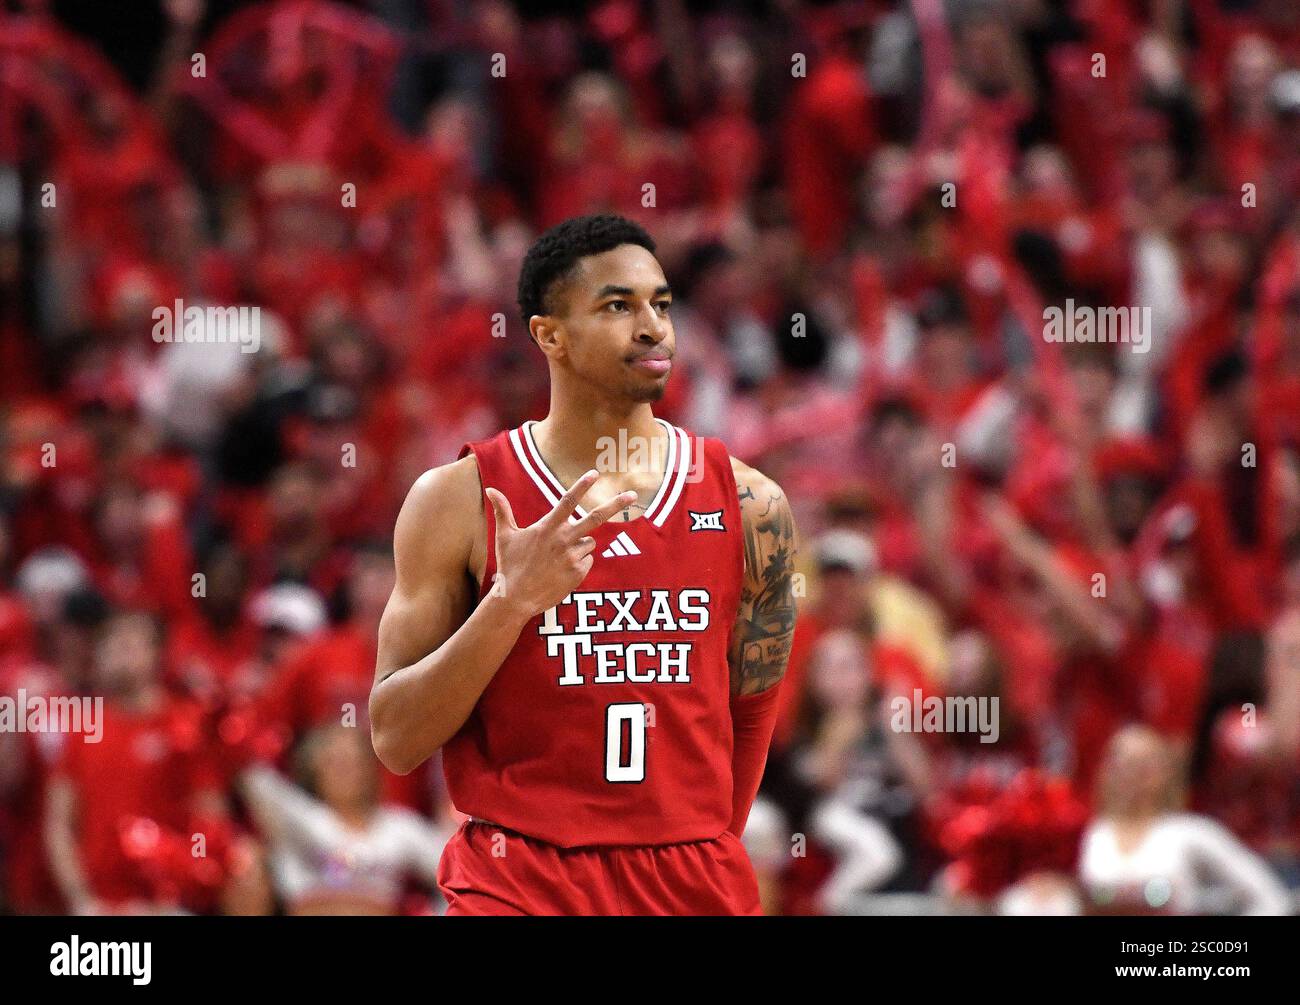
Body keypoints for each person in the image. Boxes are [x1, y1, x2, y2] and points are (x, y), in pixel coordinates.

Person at [369, 214, 798, 915]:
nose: (654, 327)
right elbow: (395, 736)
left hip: (688, 880)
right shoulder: (457, 498)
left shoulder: (753, 505)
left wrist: (689, 843)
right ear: (549, 335)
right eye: (617, 306)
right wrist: (510, 603)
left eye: (661, 304)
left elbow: (749, 720)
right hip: (517, 881)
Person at [1079, 725, 1291, 915]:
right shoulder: (1090, 835)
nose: (1131, 775)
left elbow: (1268, 895)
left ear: (1164, 774)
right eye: (1122, 764)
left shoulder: (1187, 833)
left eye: (1143, 766)